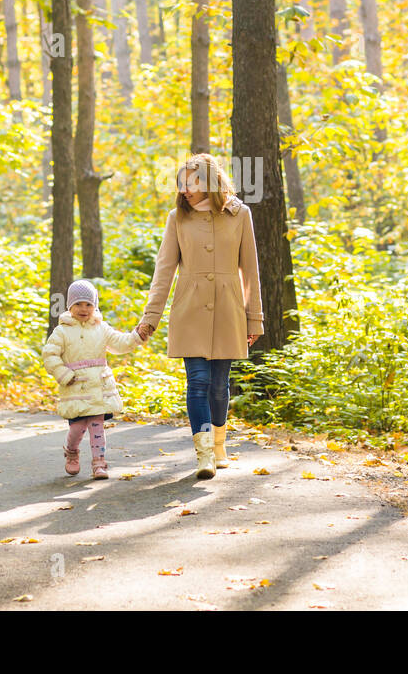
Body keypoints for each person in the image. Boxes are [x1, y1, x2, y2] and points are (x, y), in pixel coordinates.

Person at [137, 154, 263, 479]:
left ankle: (220, 444)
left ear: (208, 181)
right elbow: (163, 271)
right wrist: (150, 317)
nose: (184, 190)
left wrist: (255, 319)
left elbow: (250, 272)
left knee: (219, 387)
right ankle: (204, 454)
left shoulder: (240, 215)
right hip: (189, 310)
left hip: (228, 310)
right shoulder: (177, 218)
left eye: (190, 183)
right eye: (180, 185)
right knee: (198, 382)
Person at [42, 279, 145, 479]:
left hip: (98, 387)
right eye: (78, 304)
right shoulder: (62, 331)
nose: (83, 308)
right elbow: (50, 355)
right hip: (75, 387)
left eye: (88, 304)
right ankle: (72, 451)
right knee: (77, 428)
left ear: (95, 306)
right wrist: (63, 374)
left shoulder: (101, 328)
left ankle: (99, 463)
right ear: (70, 306)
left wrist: (137, 336)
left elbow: (120, 343)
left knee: (97, 427)